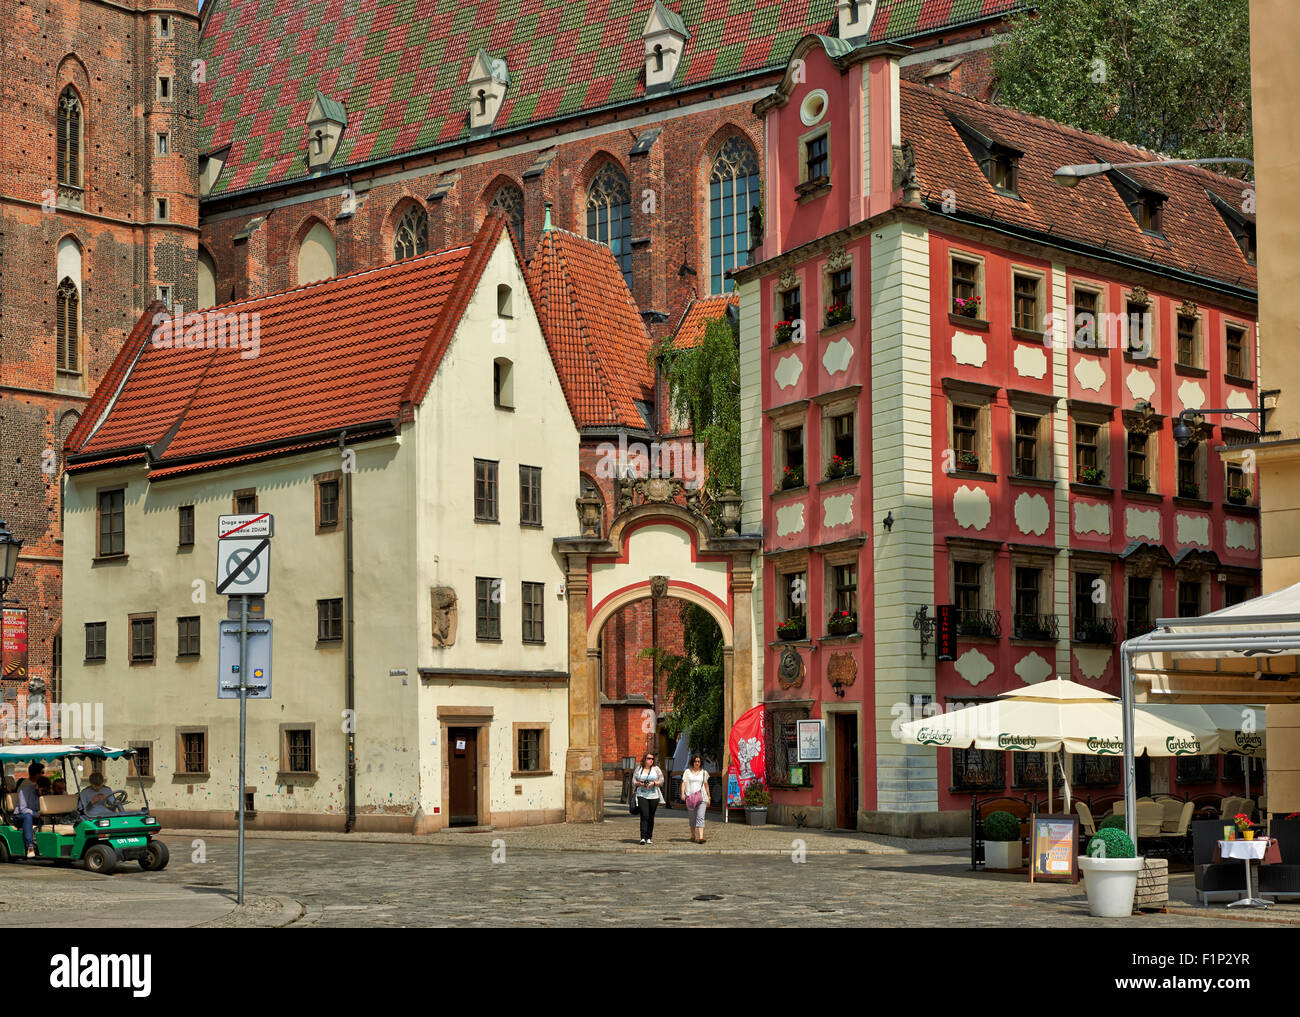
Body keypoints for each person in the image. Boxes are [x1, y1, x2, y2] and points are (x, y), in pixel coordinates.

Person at [631, 752, 664, 845]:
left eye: (652, 759)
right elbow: (633, 781)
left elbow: (661, 781)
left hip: (654, 795)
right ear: (645, 759)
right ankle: (642, 837)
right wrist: (640, 783)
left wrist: (653, 783)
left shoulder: (656, 769)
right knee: (644, 815)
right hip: (642, 795)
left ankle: (649, 837)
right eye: (649, 758)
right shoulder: (639, 769)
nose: (651, 760)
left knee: (651, 816)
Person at [13, 762, 45, 858]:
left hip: (34, 815)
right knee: (28, 816)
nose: (43, 775)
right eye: (42, 772)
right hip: (19, 816)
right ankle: (29, 846)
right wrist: (36, 813)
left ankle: (43, 845)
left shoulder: (39, 787)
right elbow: (22, 809)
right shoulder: (24, 787)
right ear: (36, 774)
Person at [681, 754, 710, 843]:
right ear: (692, 762)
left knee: (701, 816)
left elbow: (706, 786)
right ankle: (693, 835)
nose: (697, 763)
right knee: (692, 817)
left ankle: (701, 837)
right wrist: (682, 794)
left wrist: (709, 797)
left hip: (702, 797)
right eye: (695, 761)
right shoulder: (687, 772)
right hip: (690, 797)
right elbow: (684, 783)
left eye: (699, 761)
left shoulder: (704, 772)